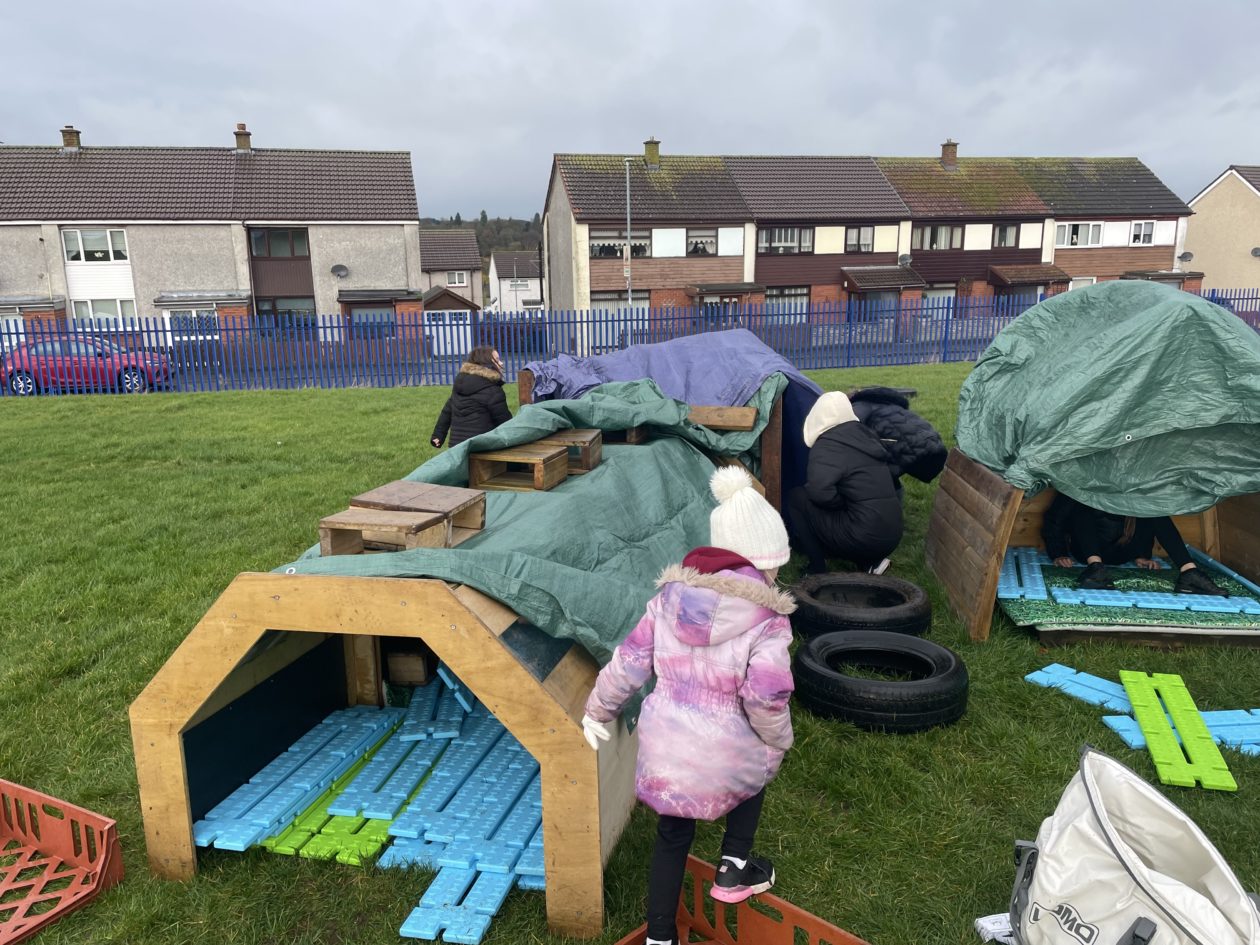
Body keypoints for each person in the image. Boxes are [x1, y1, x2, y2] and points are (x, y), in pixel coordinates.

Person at [581, 466, 795, 945]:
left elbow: (630, 662)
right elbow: (766, 698)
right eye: (775, 565)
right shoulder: (769, 623)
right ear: (760, 562)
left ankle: (660, 936)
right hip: (728, 754)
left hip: (667, 751)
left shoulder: (668, 600)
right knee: (759, 764)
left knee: (671, 837)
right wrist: (780, 741)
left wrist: (597, 711)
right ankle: (734, 866)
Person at [786, 391, 904, 575]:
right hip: (892, 535)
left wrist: (840, 504)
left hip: (862, 536)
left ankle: (816, 568)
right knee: (859, 508)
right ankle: (870, 563)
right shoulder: (867, 437)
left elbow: (819, 493)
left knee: (797, 497)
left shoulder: (827, 444)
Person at [1042, 493, 1227, 595]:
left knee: (1154, 511)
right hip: (1089, 552)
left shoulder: (1135, 483)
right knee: (1083, 505)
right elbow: (1055, 518)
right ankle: (1095, 570)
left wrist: (1142, 555)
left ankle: (1189, 572)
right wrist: (1058, 552)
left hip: (1122, 551)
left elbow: (1142, 523)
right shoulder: (1085, 479)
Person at [429, 346, 511, 448]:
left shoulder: (460, 384)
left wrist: (438, 436)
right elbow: (504, 422)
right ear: (487, 363)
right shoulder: (492, 390)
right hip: (482, 446)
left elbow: (447, 412)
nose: (501, 363)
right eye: (497, 360)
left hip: (457, 446)